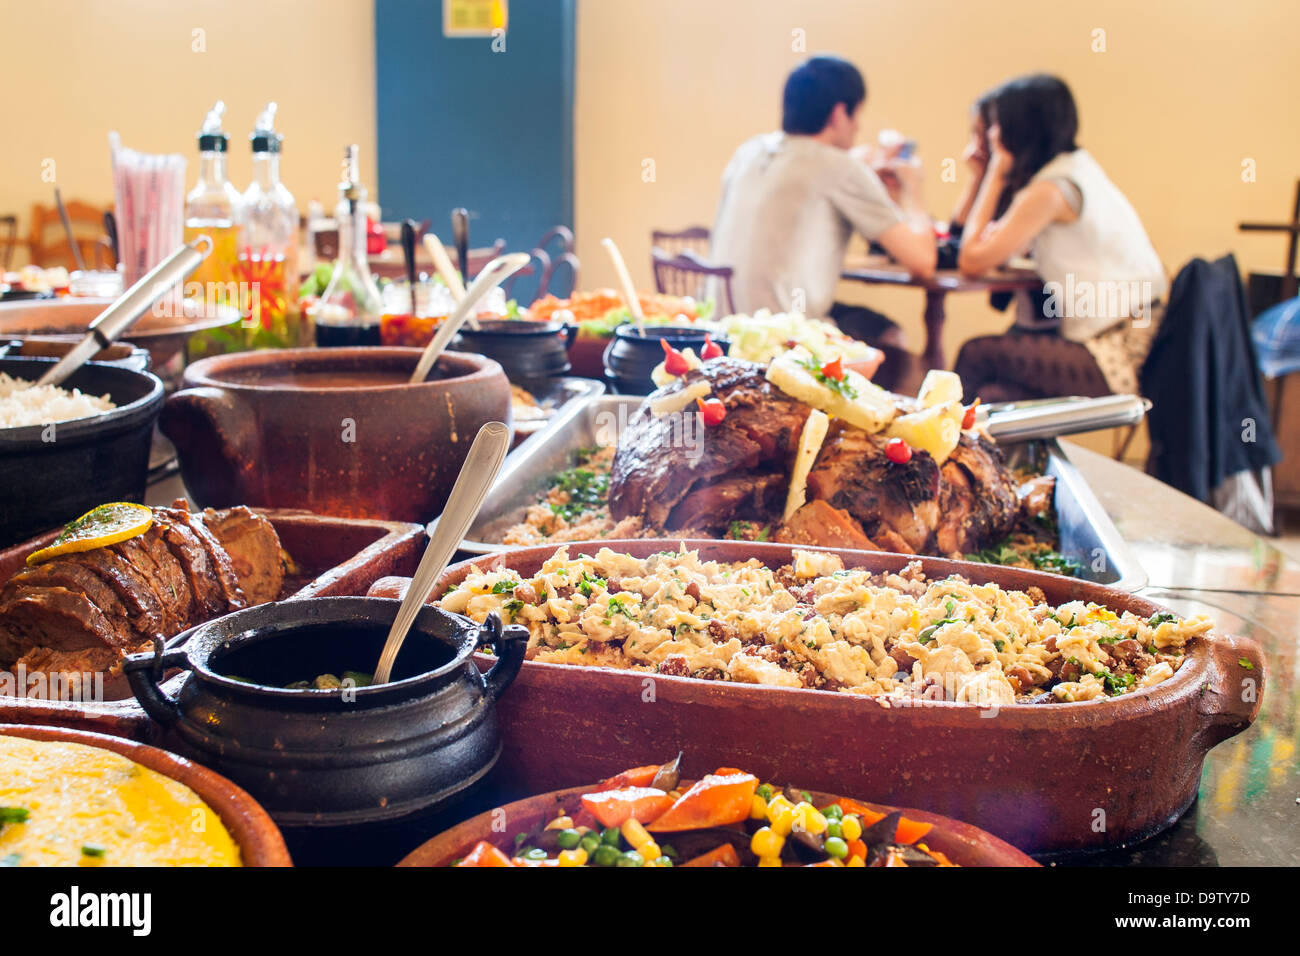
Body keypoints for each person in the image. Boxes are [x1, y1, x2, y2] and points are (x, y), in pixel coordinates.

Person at [953, 74, 1168, 400]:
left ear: (1019, 128)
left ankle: (938, 447)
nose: (993, 135)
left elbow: (971, 260)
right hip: (1138, 338)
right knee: (995, 395)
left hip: (1116, 353)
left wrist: (995, 173)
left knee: (975, 355)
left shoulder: (1050, 191)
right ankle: (968, 449)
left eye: (998, 126)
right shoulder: (1076, 170)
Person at [709, 55, 936, 354]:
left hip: (720, 331)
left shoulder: (748, 152)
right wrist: (913, 188)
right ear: (839, 113)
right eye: (857, 116)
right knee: (889, 337)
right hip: (787, 339)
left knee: (860, 321)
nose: (858, 127)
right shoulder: (842, 168)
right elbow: (923, 262)